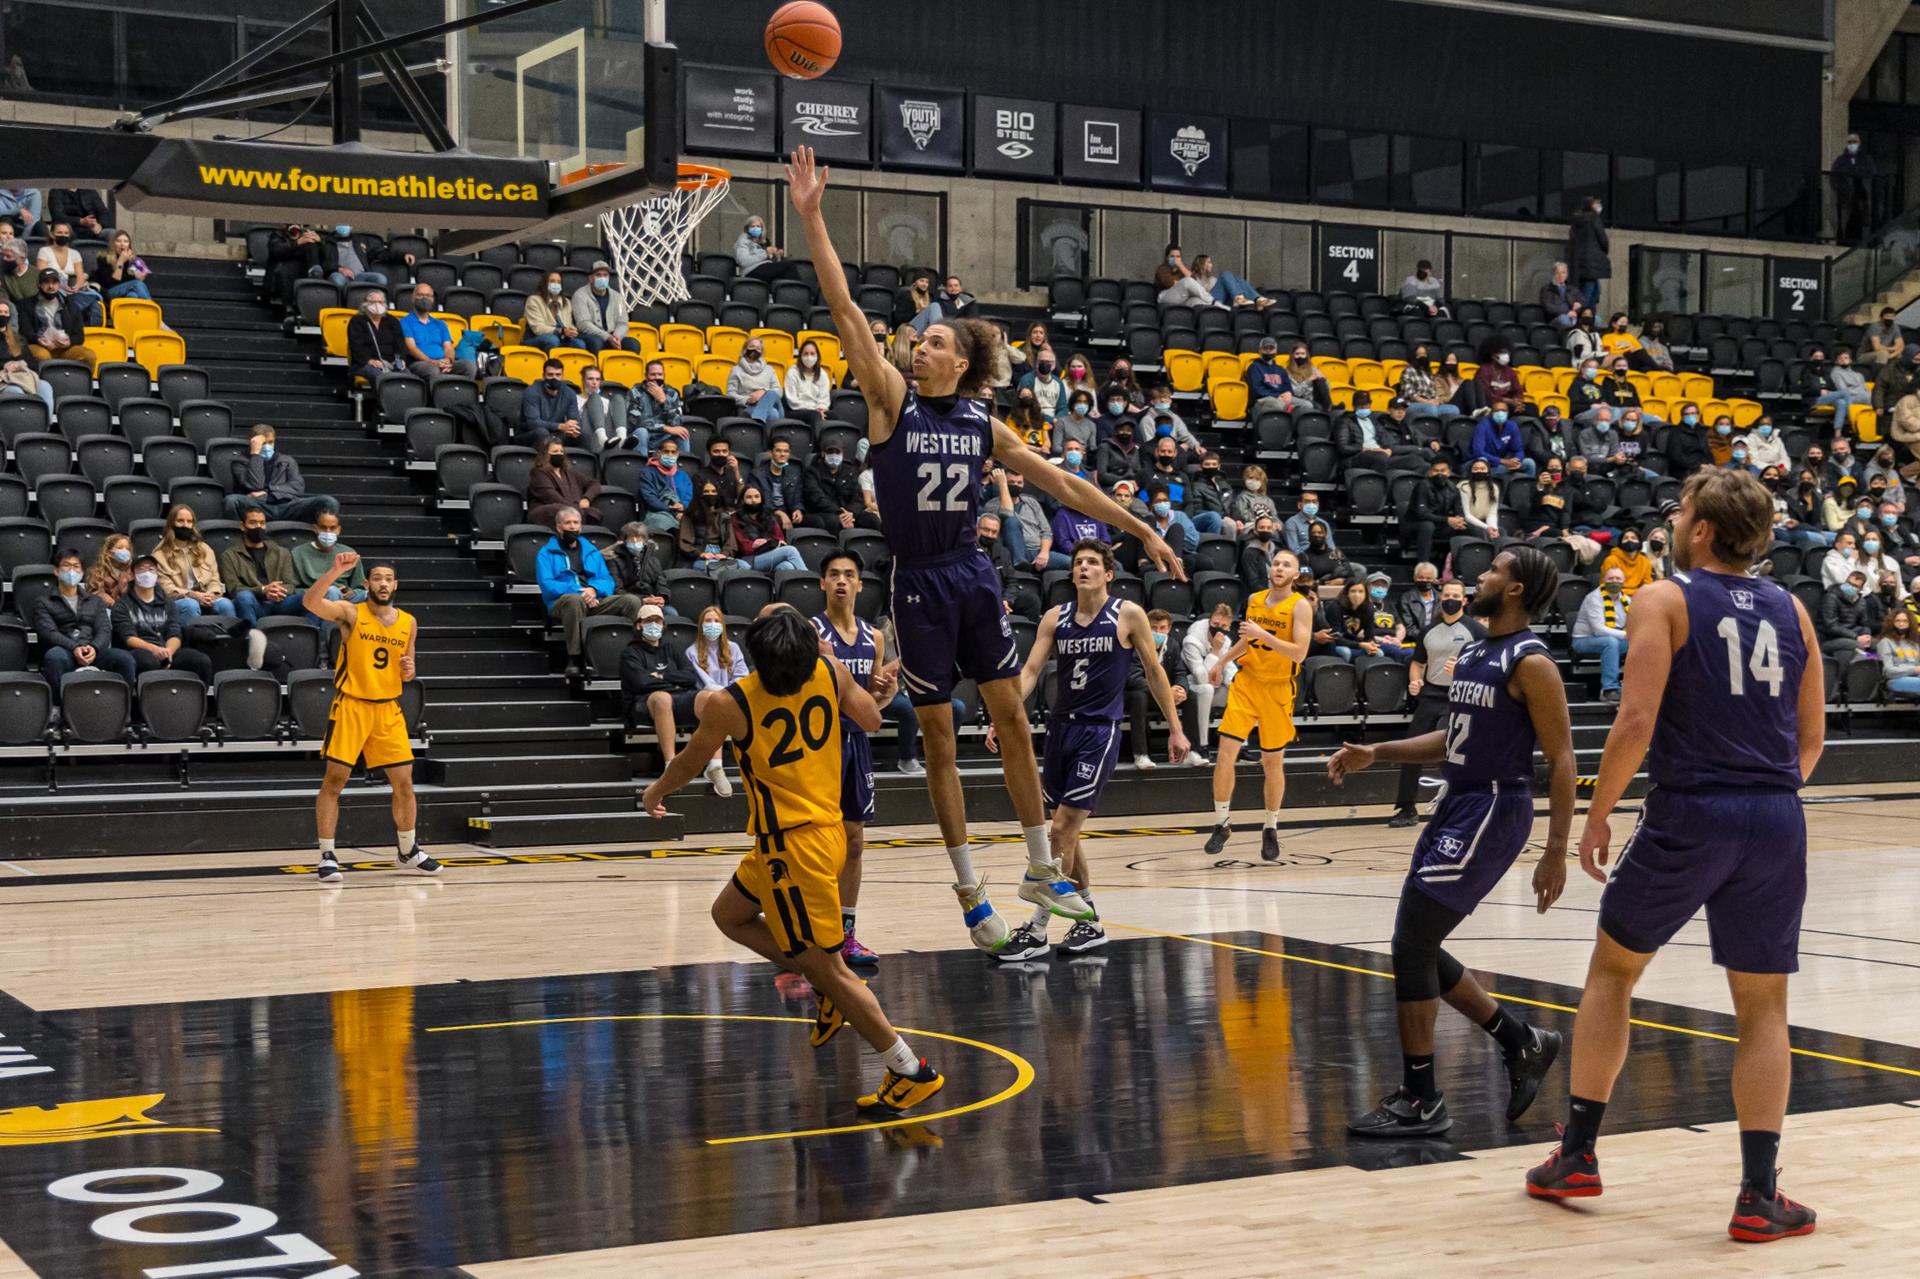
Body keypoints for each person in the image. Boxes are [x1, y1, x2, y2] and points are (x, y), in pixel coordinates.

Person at [787, 144, 1178, 950]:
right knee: (938, 739)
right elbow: (848, 314)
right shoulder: (891, 402)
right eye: (919, 341)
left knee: (1010, 718)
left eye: (932, 342)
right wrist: (814, 219)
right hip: (920, 581)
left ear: (959, 362)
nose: (917, 346)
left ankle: (1040, 868)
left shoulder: (980, 422)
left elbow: (1064, 485)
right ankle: (971, 894)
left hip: (972, 573)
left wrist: (1137, 526)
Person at [1527, 470, 1824, 1244]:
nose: (1673, 519)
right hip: (1776, 814)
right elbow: (1811, 735)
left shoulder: (1663, 596)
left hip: (1691, 810)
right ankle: (1759, 1196)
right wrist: (1765, 795)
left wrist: (1596, 815)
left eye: (1681, 510)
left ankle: (1579, 1154)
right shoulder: (1793, 608)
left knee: (1613, 970)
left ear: (1698, 531)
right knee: (1763, 1007)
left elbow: (1635, 719)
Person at [642, 606, 944, 1116]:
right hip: (813, 836)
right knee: (728, 915)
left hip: (793, 850)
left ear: (754, 656)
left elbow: (693, 762)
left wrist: (655, 791)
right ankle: (825, 985)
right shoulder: (829, 670)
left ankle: (909, 1069)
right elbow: (871, 718)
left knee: (830, 969)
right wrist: (882, 690)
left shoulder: (731, 701)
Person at [1332, 546, 1572, 1137]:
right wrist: (1378, 751)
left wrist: (1556, 849)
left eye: (1493, 570)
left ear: (1514, 589)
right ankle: (1522, 1041)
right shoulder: (1473, 650)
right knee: (1414, 942)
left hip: (1494, 807)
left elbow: (1563, 760)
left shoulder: (1532, 661)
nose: (1479, 577)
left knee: (1412, 940)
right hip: (1458, 801)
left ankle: (1422, 1097)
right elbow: (1452, 737)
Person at [988, 541, 1188, 960]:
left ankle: (1038, 928)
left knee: (1060, 830)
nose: (1083, 568)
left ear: (1108, 574)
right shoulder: (1054, 617)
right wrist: (1002, 718)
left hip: (1099, 732)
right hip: (1061, 731)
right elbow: (1028, 671)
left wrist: (1175, 728)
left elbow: (1154, 672)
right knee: (1066, 833)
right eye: (1078, 562)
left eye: (1093, 563)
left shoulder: (1127, 614)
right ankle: (1089, 920)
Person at [303, 553, 441, 884]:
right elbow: (311, 602)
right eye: (376, 577)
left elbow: (408, 671)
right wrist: (335, 571)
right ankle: (327, 855)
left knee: (405, 782)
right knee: (335, 780)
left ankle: (407, 850)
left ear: (395, 585)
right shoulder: (351, 613)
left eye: (387, 578)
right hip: (352, 705)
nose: (382, 583)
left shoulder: (409, 622)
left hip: (387, 708)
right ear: (366, 584)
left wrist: (409, 669)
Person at [811, 550, 905, 968]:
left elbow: (874, 702)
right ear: (823, 584)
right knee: (814, 841)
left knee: (854, 840)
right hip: (818, 745)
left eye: (849, 575)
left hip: (855, 744)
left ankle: (846, 934)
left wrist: (886, 688)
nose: (842, 581)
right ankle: (809, 929)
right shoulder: (810, 631)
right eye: (834, 575)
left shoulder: (874, 637)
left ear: (860, 585)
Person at [1203, 549, 1311, 861]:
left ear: (1296, 573)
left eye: (1286, 564)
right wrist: (1221, 661)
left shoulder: (1300, 606)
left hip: (1278, 689)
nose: (1279, 567)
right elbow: (1248, 640)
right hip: (1247, 682)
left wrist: (1266, 634)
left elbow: (1299, 653)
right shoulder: (1255, 599)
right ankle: (1222, 823)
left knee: (1271, 762)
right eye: (1276, 562)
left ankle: (1270, 827)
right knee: (1224, 755)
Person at [1386, 580, 1485, 827]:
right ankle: (1406, 808)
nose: (1450, 599)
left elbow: (1487, 667)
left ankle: (1459, 805)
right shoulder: (1428, 630)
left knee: (1449, 750)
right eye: (1447, 594)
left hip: (1461, 696)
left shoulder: (1477, 631)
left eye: (1456, 595)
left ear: (1464, 600)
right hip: (1431, 695)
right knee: (1410, 749)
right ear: (1441, 598)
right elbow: (1418, 663)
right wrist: (1415, 681)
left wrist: (1463, 669)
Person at [538, 508, 643, 674]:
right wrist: (581, 591)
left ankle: (632, 654)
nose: (572, 526)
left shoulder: (591, 551)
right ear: (558, 527)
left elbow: (607, 580)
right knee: (574, 600)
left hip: (594, 598)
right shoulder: (546, 553)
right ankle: (575, 657)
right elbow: (547, 585)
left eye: (576, 522)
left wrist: (594, 590)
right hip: (562, 601)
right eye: (568, 523)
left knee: (631, 601)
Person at [35, 547, 138, 697]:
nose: (71, 570)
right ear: (56, 571)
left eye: (76, 567)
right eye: (66, 566)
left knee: (124, 658)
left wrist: (94, 647)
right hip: (65, 650)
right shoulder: (43, 601)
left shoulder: (95, 601)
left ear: (82, 573)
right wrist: (75, 647)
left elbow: (104, 629)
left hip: (93, 650)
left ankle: (124, 706)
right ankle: (57, 706)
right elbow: (49, 632)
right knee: (54, 656)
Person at [112, 555, 216, 686]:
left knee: (200, 661)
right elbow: (128, 637)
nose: (147, 573)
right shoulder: (122, 605)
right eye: (141, 570)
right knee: (148, 662)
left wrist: (169, 652)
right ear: (133, 575)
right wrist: (154, 649)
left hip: (167, 649)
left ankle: (199, 703)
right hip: (140, 650)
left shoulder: (168, 602)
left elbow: (175, 632)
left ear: (156, 574)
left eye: (151, 569)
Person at [219, 507, 306, 663]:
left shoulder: (282, 552)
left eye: (261, 523)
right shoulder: (230, 555)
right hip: (253, 603)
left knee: (309, 598)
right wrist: (263, 590)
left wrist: (278, 590)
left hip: (280, 602)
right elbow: (233, 588)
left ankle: (309, 643)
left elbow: (291, 585)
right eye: (253, 523)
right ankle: (255, 647)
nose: (258, 527)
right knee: (243, 596)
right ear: (242, 526)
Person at [222, 425, 338, 523]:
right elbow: (255, 485)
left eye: (270, 442)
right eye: (263, 443)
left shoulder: (287, 461)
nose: (267, 447)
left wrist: (268, 491)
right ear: (253, 443)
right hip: (258, 507)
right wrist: (255, 455)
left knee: (328, 501)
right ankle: (237, 539)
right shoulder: (240, 462)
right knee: (231, 501)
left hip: (287, 506)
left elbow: (297, 487)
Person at [620, 601, 697, 746]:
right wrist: (675, 682)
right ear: (639, 625)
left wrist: (663, 676)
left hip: (676, 699)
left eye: (658, 621)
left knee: (705, 696)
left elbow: (690, 677)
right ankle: (670, 762)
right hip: (642, 704)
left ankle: (714, 764)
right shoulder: (631, 653)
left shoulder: (671, 649)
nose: (654, 625)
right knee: (662, 698)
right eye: (649, 621)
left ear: (663, 626)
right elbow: (641, 682)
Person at [152, 505, 235, 627]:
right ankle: (190, 643)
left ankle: (232, 643)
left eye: (189, 521)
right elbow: (167, 589)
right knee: (190, 605)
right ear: (171, 524)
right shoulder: (159, 555)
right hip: (179, 600)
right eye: (180, 521)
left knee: (226, 604)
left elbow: (214, 580)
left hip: (207, 597)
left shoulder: (205, 549)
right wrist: (194, 595)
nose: (185, 525)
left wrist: (210, 594)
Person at [1574, 565, 1633, 703]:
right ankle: (1609, 690)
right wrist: (1626, 634)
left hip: (1612, 638)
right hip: (1584, 640)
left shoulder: (1627, 601)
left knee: (1640, 642)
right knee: (1610, 642)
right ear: (1604, 580)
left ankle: (1634, 687)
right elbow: (1598, 630)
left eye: (1618, 578)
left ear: (1624, 581)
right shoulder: (1594, 598)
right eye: (1611, 578)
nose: (1614, 581)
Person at [23, 267, 96, 366]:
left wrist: (69, 341)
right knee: (42, 356)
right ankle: (43, 381)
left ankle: (83, 381)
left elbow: (79, 336)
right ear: (39, 285)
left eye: (54, 282)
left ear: (59, 285)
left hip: (64, 348)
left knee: (89, 356)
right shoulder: (26, 304)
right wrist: (38, 340)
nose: (51, 286)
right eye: (46, 282)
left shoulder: (71, 306)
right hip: (39, 345)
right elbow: (25, 332)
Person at [399, 285, 475, 378]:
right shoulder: (405, 322)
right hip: (420, 363)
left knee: (469, 367)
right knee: (432, 370)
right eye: (420, 295)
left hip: (442, 362)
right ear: (413, 298)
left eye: (428, 295)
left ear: (433, 299)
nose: (424, 298)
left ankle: (463, 392)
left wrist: (449, 361)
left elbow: (448, 347)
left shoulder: (440, 324)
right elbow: (411, 348)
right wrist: (432, 362)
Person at [1403, 457, 1467, 565]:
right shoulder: (1422, 485)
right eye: (1436, 471)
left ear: (1449, 472)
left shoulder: (1453, 489)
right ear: (1429, 472)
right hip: (1414, 525)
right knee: (1427, 526)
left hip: (1440, 525)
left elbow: (1459, 511)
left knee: (1467, 526)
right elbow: (1421, 513)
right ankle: (1423, 566)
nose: (1439, 474)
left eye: (1443, 471)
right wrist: (1447, 520)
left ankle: (1463, 569)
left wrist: (1459, 521)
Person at [733, 481, 807, 573]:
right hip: (749, 559)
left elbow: (780, 540)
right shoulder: (736, 519)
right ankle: (810, 582)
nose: (753, 500)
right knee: (790, 551)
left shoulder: (769, 517)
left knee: (787, 566)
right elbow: (744, 547)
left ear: (762, 499)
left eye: (757, 496)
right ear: (742, 501)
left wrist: (766, 542)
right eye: (749, 497)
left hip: (770, 555)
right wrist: (755, 545)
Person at [570, 261, 640, 354]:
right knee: (596, 343)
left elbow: (623, 322)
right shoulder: (580, 295)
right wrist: (607, 337)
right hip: (589, 335)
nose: (602, 278)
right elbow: (583, 324)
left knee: (633, 344)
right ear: (590, 278)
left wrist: (616, 337)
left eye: (605, 275)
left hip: (613, 335)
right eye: (598, 275)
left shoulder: (617, 297)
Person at [679, 477, 742, 576]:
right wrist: (700, 554)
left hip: (720, 553)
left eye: (713, 491)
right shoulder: (690, 515)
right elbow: (685, 543)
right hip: (699, 555)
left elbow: (730, 542)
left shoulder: (724, 516)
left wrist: (724, 553)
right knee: (717, 568)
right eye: (706, 491)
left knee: (744, 566)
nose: (710, 494)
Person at [346, 290, 408, 384]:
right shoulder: (357, 321)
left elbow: (400, 344)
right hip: (364, 364)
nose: (377, 305)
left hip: (391, 363)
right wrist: (370, 361)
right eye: (373, 302)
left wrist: (400, 360)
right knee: (383, 378)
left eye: (380, 302)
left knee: (408, 377)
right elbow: (356, 346)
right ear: (365, 304)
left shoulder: (392, 321)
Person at [518, 359, 582, 449]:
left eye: (558, 375)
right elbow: (532, 423)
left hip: (556, 433)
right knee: (542, 433)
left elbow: (574, 419)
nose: (554, 378)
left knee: (579, 434)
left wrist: (572, 428)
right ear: (543, 376)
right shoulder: (531, 392)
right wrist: (560, 426)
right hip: (529, 434)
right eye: (550, 375)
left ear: (562, 376)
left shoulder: (569, 393)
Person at [1818, 570, 1881, 660]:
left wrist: (1866, 636)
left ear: (1861, 589)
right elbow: (1830, 626)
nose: (1850, 587)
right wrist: (1856, 637)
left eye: (1855, 586)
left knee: (1879, 645)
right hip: (1829, 638)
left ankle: (1878, 666)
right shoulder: (1831, 597)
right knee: (1857, 645)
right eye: (1849, 583)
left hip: (1851, 634)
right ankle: (1867, 660)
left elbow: (1864, 624)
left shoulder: (1861, 601)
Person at [1831, 132, 1878, 244]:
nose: (1852, 144)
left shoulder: (1867, 160)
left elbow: (1872, 175)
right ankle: (1842, 241)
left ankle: (1865, 242)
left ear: (1859, 143)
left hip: (1862, 197)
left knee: (1864, 222)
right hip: (1845, 198)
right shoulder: (1840, 160)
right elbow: (1834, 178)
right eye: (1850, 142)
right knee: (1844, 221)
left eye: (1854, 142)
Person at [639, 436, 691, 535]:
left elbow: (689, 496)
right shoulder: (648, 472)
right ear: (659, 453)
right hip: (657, 513)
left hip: (682, 514)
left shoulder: (683, 475)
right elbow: (649, 498)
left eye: (673, 452)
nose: (670, 455)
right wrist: (671, 509)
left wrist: (683, 507)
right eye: (666, 451)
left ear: (678, 454)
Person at [727, 337, 786, 423]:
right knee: (773, 414)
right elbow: (730, 394)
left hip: (772, 404)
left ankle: (757, 418)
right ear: (744, 349)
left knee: (772, 393)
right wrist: (747, 400)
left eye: (758, 348)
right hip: (749, 407)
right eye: (752, 347)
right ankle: (758, 419)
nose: (755, 350)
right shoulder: (736, 370)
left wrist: (764, 392)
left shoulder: (769, 369)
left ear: (761, 352)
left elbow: (779, 391)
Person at [629, 360, 688, 444]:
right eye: (653, 374)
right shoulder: (635, 392)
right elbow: (635, 422)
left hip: (665, 436)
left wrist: (664, 402)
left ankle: (684, 457)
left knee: (683, 434)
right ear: (646, 376)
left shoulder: (672, 394)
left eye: (660, 374)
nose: (656, 378)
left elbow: (677, 423)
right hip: (645, 435)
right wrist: (665, 428)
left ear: (664, 376)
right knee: (641, 432)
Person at [1567, 195, 1610, 310]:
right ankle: (1583, 316)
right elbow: (1603, 239)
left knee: (1592, 291)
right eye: (1596, 203)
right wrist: (1602, 253)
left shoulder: (1576, 221)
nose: (1599, 206)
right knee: (1590, 296)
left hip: (1579, 262)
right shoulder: (1594, 218)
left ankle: (1588, 318)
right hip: (1593, 262)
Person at [1471, 402, 1536, 477]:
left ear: (1507, 413)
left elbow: (1518, 449)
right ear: (1492, 413)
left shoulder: (1512, 426)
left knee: (1529, 463)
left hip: (1508, 462)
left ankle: (1528, 486)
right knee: (1500, 468)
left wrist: (1517, 460)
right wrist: (1503, 461)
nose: (1500, 413)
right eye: (1497, 410)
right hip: (1489, 464)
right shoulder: (1482, 426)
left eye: (1503, 410)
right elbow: (1478, 452)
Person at [522, 271, 582, 351]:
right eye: (552, 281)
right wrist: (561, 331)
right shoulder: (533, 300)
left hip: (561, 337)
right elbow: (538, 328)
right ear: (544, 283)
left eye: (559, 282)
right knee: (552, 340)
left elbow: (568, 323)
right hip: (535, 337)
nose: (556, 284)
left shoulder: (566, 302)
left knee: (579, 343)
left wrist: (572, 330)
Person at [783, 338, 833, 428]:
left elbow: (824, 397)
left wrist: (820, 408)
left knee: (834, 415)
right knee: (814, 416)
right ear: (800, 356)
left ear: (817, 356)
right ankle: (816, 442)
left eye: (812, 354)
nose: (809, 357)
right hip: (797, 410)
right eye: (806, 354)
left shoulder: (822, 374)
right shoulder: (792, 372)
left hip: (817, 409)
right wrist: (814, 410)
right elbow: (792, 400)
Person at [732, 214, 796, 283]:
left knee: (786, 273)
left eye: (758, 226)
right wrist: (766, 253)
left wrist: (777, 256)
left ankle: (792, 291)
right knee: (789, 266)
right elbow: (743, 261)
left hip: (765, 269)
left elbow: (768, 260)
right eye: (752, 226)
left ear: (762, 229)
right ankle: (800, 291)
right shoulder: (743, 241)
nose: (755, 228)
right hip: (751, 271)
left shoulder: (763, 242)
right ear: (747, 229)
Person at [94, 231, 154, 302]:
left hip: (125, 291)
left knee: (132, 295)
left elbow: (132, 280)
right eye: (118, 241)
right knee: (137, 284)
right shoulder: (104, 258)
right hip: (109, 292)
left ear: (129, 245)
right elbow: (111, 282)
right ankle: (151, 309)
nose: (122, 244)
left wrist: (139, 274)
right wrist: (121, 262)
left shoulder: (131, 260)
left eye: (126, 241)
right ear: (113, 244)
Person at [1878, 607, 1920, 700]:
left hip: (1915, 678)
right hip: (1894, 680)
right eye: (1898, 621)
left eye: (1905, 621)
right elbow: (1887, 671)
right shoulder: (1886, 642)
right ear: (1892, 623)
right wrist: (1914, 669)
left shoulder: (1914, 644)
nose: (1901, 624)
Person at [85, 534, 133, 607]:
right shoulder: (97, 571)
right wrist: (112, 604)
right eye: (120, 548)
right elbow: (96, 592)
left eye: (127, 549)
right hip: (108, 608)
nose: (125, 551)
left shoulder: (132, 570)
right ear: (108, 551)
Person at [1541, 261, 1580, 328]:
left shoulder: (1572, 288)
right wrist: (1567, 313)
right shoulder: (1547, 289)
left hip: (1574, 316)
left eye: (1563, 273)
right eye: (1557, 273)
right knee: (1564, 319)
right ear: (1553, 274)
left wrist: (1579, 304)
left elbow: (1582, 300)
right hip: (1556, 318)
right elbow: (1549, 307)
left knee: (1596, 319)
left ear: (1567, 275)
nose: (1560, 275)